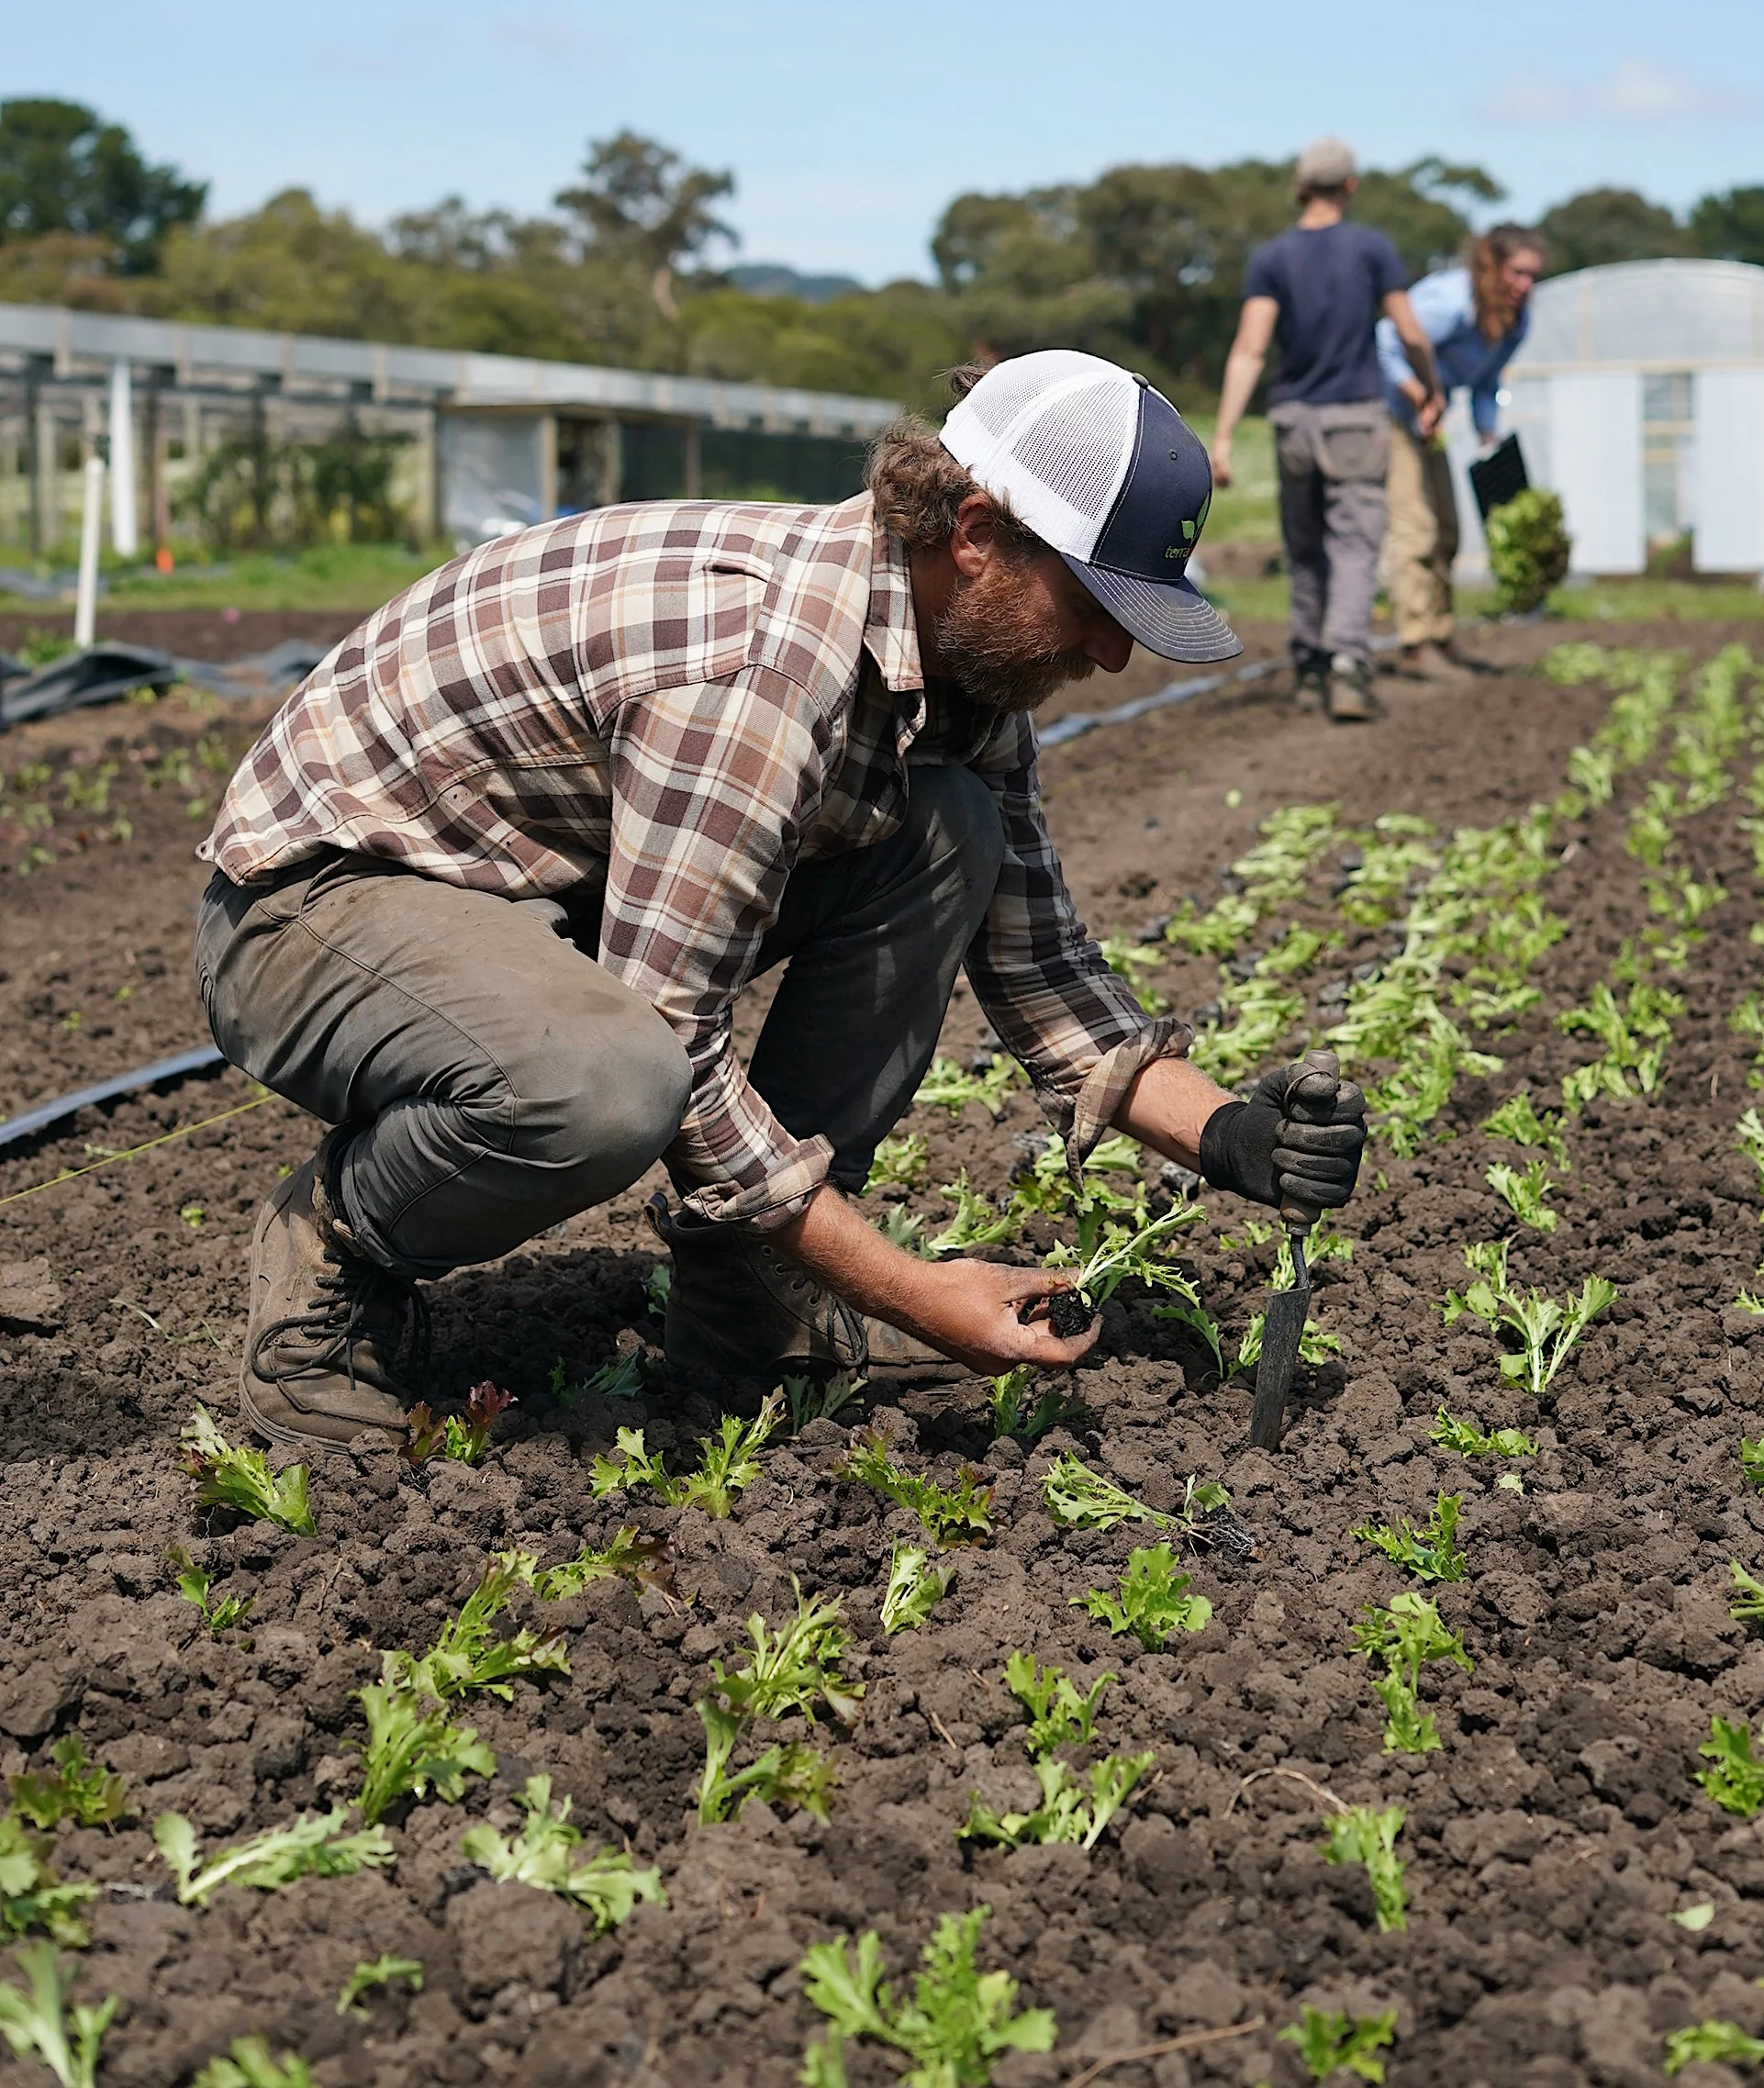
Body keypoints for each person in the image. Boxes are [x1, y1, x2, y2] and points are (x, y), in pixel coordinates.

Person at [195, 350, 1368, 1455]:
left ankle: (749, 1295)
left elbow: (1041, 971)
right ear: (974, 535)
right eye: (1097, 607)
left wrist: (1229, 1136)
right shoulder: (760, 667)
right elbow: (674, 1042)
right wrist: (917, 1295)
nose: (1112, 659)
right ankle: (333, 1255)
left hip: (537, 887)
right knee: (607, 1083)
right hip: (321, 901)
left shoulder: (957, 662)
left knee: (946, 828)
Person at [1211, 138, 1443, 722]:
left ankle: (1310, 668)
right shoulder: (1372, 250)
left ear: (1300, 187)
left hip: (1293, 422)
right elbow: (1410, 332)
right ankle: (1347, 668)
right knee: (1356, 547)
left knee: (1307, 551)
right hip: (1355, 421)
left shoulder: (1272, 258)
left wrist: (1224, 436)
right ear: (1351, 186)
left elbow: (1250, 347)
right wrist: (1431, 388)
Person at [1376, 223, 1544, 677]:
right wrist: (1417, 392)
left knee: (1448, 530)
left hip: (1430, 419)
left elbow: (1487, 382)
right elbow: (1385, 341)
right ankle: (1415, 643)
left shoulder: (1515, 320)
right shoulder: (1451, 304)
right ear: (1492, 266)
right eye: (1517, 273)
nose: (1525, 286)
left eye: (1533, 276)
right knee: (1417, 527)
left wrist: (1487, 430)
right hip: (1390, 413)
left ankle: (1440, 634)